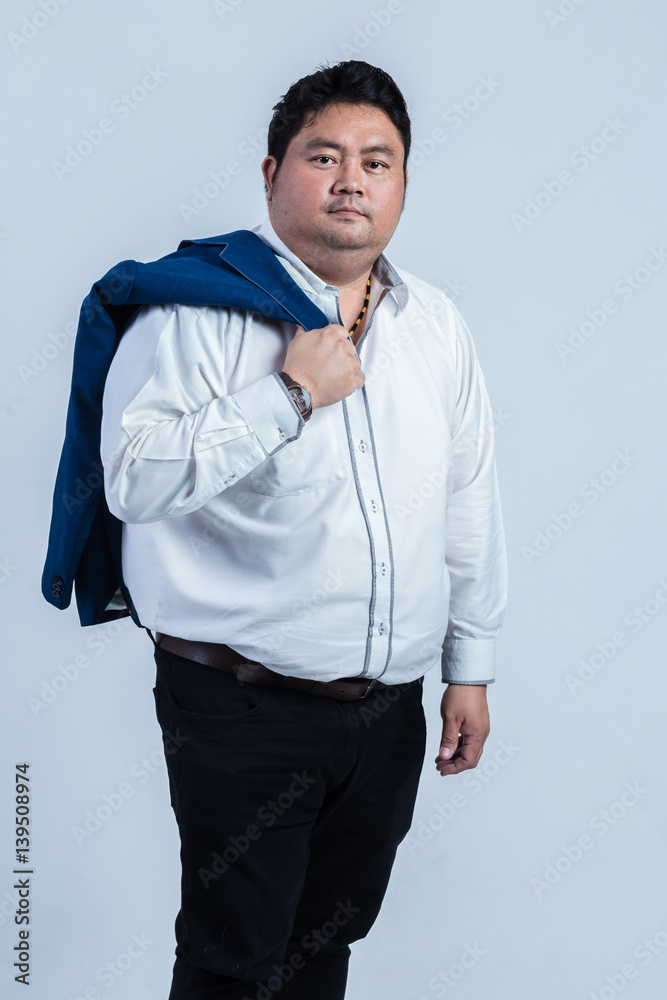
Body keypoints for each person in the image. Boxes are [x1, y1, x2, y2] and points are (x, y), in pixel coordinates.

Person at [99, 59, 508, 1000]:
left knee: (323, 951)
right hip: (241, 710)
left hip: (385, 714)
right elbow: (133, 477)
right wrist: (288, 395)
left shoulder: (434, 325)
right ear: (272, 171)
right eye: (323, 156)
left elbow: (467, 496)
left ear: (402, 185)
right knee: (232, 962)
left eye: (377, 161)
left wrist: (469, 667)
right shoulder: (193, 310)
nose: (350, 179)